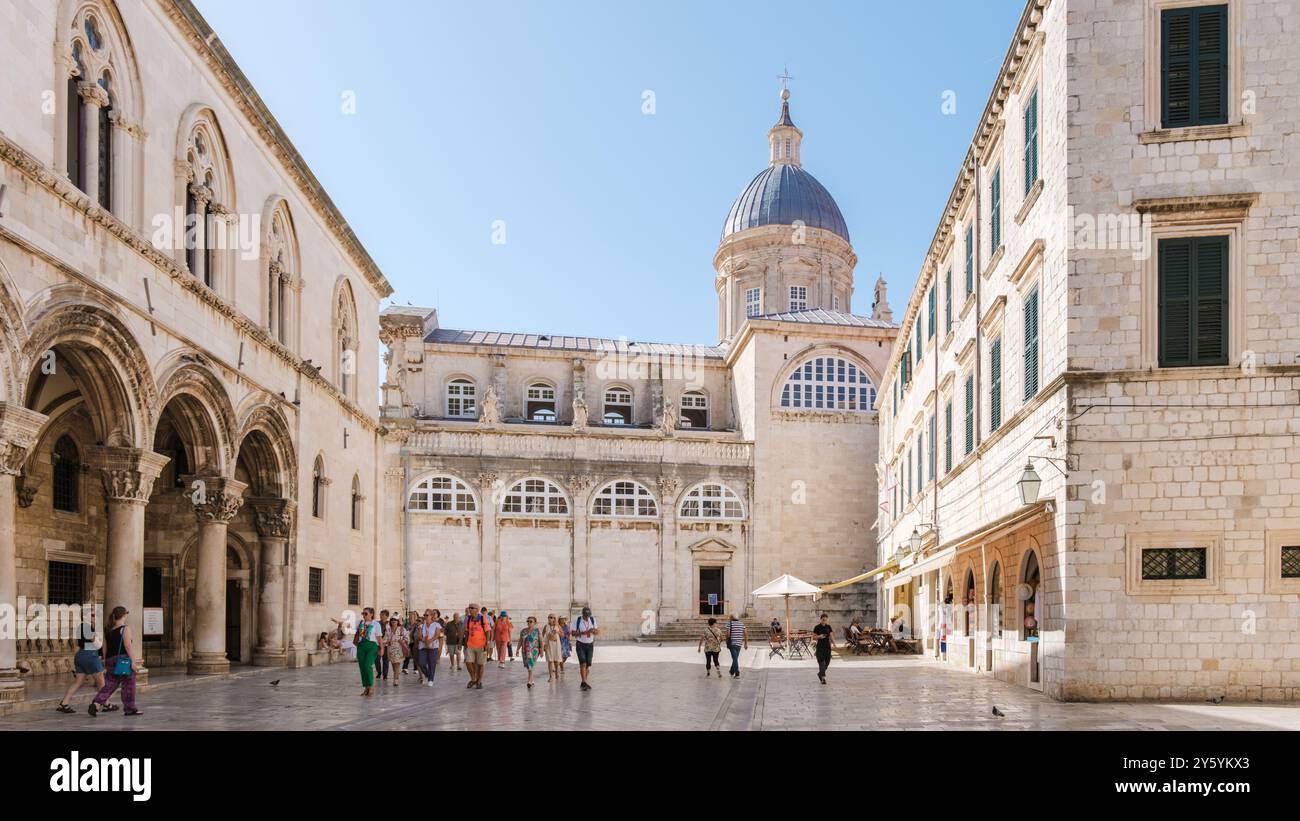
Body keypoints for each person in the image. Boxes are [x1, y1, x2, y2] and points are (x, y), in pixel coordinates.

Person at [57, 611, 113, 714]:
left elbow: (78, 645)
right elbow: (96, 644)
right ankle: (106, 704)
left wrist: (75, 661)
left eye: (95, 614)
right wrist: (99, 638)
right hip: (90, 654)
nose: (94, 616)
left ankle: (64, 703)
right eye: (92, 615)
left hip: (81, 654)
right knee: (101, 680)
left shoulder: (80, 627)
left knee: (78, 681)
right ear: (84, 616)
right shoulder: (87, 627)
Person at [89, 606, 141, 716]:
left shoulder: (108, 630)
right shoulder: (125, 628)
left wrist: (106, 662)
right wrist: (133, 662)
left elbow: (104, 648)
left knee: (109, 684)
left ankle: (97, 703)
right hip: (123, 660)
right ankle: (130, 708)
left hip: (110, 659)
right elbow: (128, 646)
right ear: (124, 615)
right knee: (129, 684)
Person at [354, 607, 383, 696]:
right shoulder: (360, 622)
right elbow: (348, 626)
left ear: (371, 614)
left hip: (372, 646)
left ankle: (371, 686)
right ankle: (366, 687)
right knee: (362, 667)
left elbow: (379, 637)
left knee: (367, 665)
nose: (364, 615)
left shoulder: (376, 624)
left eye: (366, 613)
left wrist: (381, 648)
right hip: (361, 646)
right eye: (363, 613)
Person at [462, 603, 491, 690]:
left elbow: (488, 631)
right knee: (468, 662)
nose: (470, 609)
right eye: (469, 608)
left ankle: (479, 681)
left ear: (477, 610)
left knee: (480, 664)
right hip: (470, 645)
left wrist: (487, 643)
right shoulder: (468, 619)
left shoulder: (482, 618)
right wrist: (465, 643)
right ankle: (473, 678)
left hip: (481, 645)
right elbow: (466, 631)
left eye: (472, 608)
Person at [572, 607, 598, 691]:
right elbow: (573, 633)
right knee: (583, 663)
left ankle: (584, 682)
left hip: (590, 645)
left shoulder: (592, 619)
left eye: (588, 616)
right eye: (585, 616)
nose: (587, 617)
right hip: (580, 644)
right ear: (582, 614)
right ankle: (583, 681)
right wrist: (584, 633)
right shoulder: (577, 620)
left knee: (588, 664)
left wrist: (594, 631)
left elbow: (597, 631)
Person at [416, 610, 442, 686]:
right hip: (423, 646)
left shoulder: (436, 625)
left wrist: (430, 640)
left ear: (431, 616)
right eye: (424, 615)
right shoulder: (421, 625)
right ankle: (427, 674)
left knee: (432, 663)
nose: (425, 616)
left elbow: (437, 634)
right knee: (421, 662)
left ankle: (431, 679)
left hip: (433, 646)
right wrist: (424, 640)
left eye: (427, 615)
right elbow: (419, 635)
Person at [517, 616, 542, 688]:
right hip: (525, 651)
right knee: (529, 666)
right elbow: (520, 641)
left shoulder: (537, 631)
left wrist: (542, 651)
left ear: (535, 623)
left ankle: (529, 681)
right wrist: (517, 649)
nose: (529, 623)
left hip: (534, 651)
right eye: (527, 621)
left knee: (530, 665)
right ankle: (532, 679)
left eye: (530, 621)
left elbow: (541, 641)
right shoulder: (523, 631)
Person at [385, 616, 408, 685]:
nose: (393, 621)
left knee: (397, 664)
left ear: (397, 621)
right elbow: (384, 639)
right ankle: (396, 676)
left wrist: (402, 641)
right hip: (391, 649)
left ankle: (396, 680)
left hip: (399, 648)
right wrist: (387, 642)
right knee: (393, 664)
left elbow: (406, 637)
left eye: (395, 620)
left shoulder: (401, 629)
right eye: (392, 620)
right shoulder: (388, 630)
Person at [812, 613, 834, 684]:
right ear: (820, 619)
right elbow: (814, 637)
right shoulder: (817, 627)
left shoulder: (828, 626)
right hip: (820, 647)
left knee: (827, 663)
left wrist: (834, 643)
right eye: (823, 620)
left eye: (826, 620)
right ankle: (823, 678)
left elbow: (831, 635)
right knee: (822, 663)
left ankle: (820, 674)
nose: (824, 621)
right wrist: (819, 636)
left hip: (827, 647)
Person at [725, 614, 748, 679]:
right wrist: (746, 643)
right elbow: (745, 633)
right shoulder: (742, 624)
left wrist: (727, 642)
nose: (729, 618)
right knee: (735, 658)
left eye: (730, 617)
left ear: (732, 617)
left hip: (732, 644)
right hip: (739, 644)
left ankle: (737, 673)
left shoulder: (729, 624)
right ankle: (732, 671)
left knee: (734, 658)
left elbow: (727, 634)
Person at [541, 614, 563, 682]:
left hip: (556, 644)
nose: (549, 619)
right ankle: (550, 676)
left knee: (556, 661)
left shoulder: (557, 626)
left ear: (554, 619)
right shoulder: (546, 626)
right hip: (548, 644)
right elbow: (542, 635)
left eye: (551, 617)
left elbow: (562, 634)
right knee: (550, 661)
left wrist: (558, 631)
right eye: (549, 617)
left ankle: (556, 672)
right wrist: (543, 645)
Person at [376, 609, 391, 681]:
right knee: (377, 659)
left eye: (383, 615)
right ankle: (379, 672)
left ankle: (385, 675)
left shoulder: (389, 624)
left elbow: (390, 634)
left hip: (386, 644)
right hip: (378, 644)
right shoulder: (377, 623)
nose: (381, 616)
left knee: (386, 660)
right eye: (380, 614)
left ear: (387, 616)